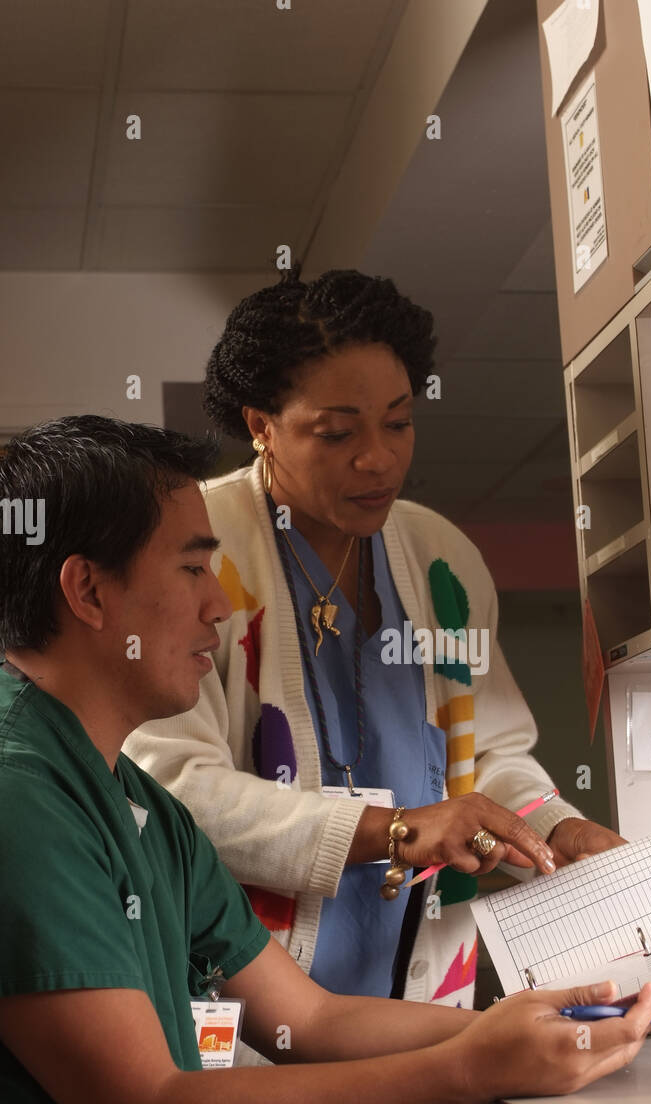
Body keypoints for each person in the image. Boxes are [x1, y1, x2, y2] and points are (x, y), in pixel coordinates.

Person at [0, 416, 651, 1104]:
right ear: (88, 591)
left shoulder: (140, 807)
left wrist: (539, 1022)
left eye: (401, 421)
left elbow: (311, 1022)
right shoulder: (23, 794)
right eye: (193, 569)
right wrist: (468, 1067)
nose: (220, 605)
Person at [125, 266, 625, 1020]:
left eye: (397, 423)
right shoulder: (200, 550)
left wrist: (554, 827)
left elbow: (491, 755)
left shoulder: (441, 560)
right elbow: (171, 790)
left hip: (423, 996)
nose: (378, 458)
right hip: (238, 1003)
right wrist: (389, 831)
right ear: (261, 424)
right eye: (336, 432)